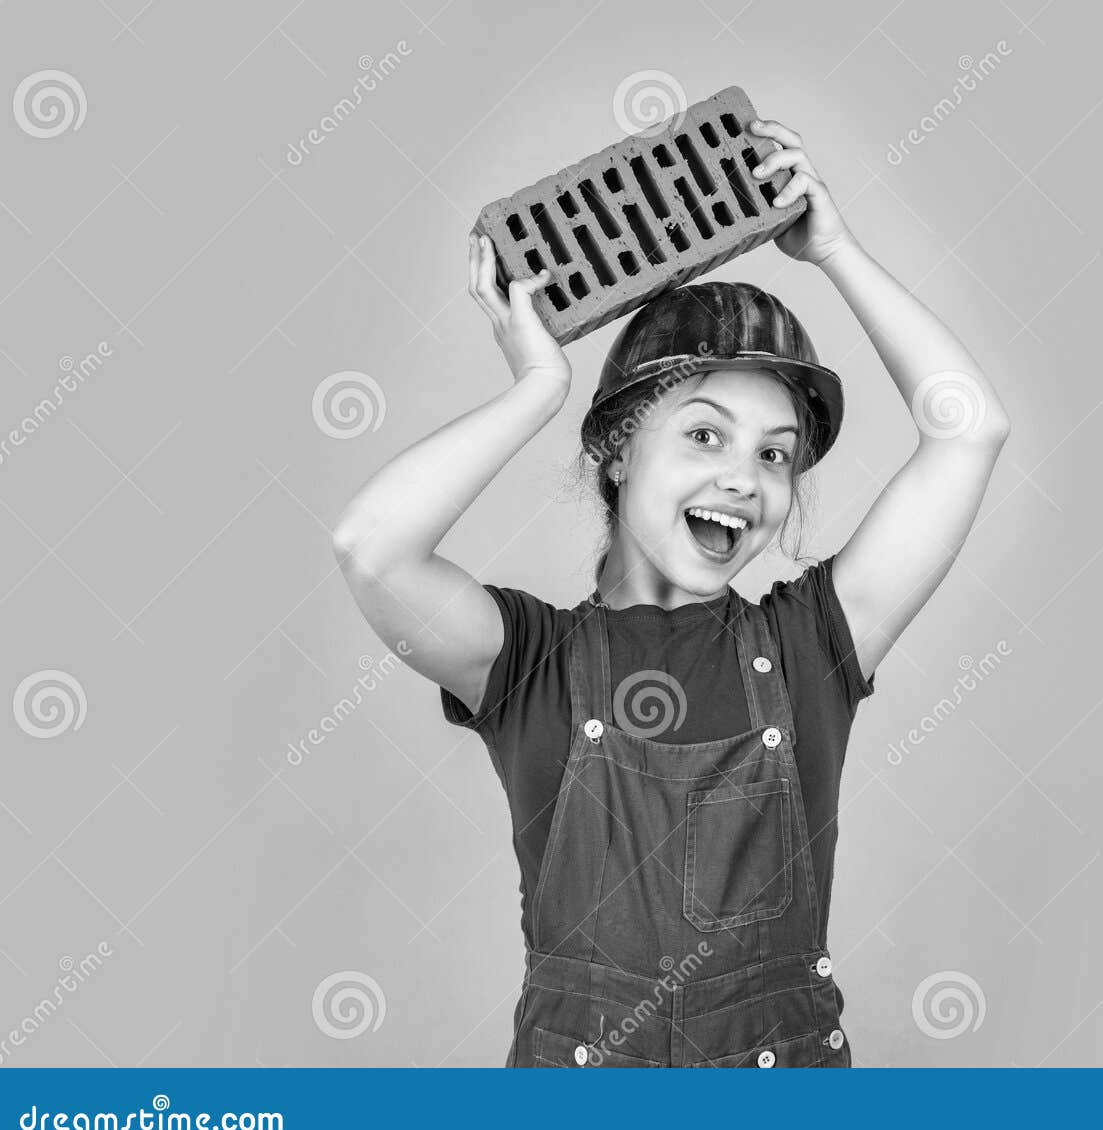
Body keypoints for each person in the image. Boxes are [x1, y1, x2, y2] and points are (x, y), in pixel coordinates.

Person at [331, 116, 1011, 1066]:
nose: (744, 477)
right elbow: (370, 547)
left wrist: (836, 253)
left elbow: (969, 428)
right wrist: (538, 386)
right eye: (704, 434)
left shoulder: (816, 641)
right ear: (616, 450)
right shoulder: (525, 663)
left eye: (776, 454)